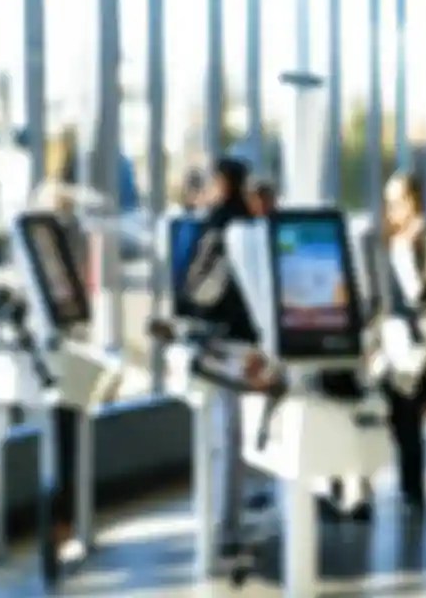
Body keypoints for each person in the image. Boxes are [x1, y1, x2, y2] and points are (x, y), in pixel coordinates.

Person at [181, 157, 263, 566]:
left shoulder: (217, 226)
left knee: (221, 435)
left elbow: (199, 289)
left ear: (222, 183)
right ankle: (227, 523)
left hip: (220, 342)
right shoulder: (250, 224)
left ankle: (220, 528)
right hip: (248, 341)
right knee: (232, 437)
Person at [364, 171, 426, 513]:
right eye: (389, 203)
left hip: (414, 342)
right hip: (388, 338)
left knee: (409, 417)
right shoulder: (382, 239)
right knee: (385, 413)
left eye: (399, 201)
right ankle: (375, 487)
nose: (393, 210)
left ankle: (412, 490)